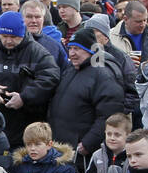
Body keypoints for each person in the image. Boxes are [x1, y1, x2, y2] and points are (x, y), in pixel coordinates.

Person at [0, 11, 60, 150]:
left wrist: (24, 97)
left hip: (25, 127)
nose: (8, 41)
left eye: (13, 37)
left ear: (22, 34)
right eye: (4, 36)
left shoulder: (38, 53)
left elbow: (50, 79)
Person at [47, 27, 123, 158]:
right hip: (61, 147)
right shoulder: (71, 70)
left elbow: (108, 116)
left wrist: (88, 144)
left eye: (77, 49)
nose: (72, 53)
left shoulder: (103, 76)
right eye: (70, 48)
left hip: (81, 152)